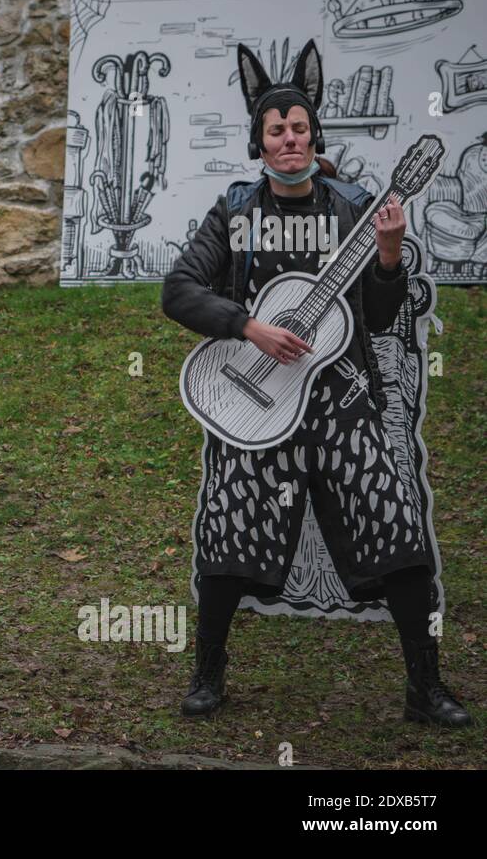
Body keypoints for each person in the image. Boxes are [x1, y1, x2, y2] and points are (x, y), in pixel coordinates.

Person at [161, 42, 471, 726]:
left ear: (314, 133)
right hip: (253, 394)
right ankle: (208, 676)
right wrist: (249, 327)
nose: (290, 138)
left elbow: (383, 318)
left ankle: (425, 686)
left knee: (395, 524)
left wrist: (387, 256)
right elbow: (178, 291)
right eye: (277, 129)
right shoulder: (234, 211)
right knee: (229, 528)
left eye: (299, 127)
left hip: (340, 397)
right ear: (260, 141)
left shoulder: (354, 207)